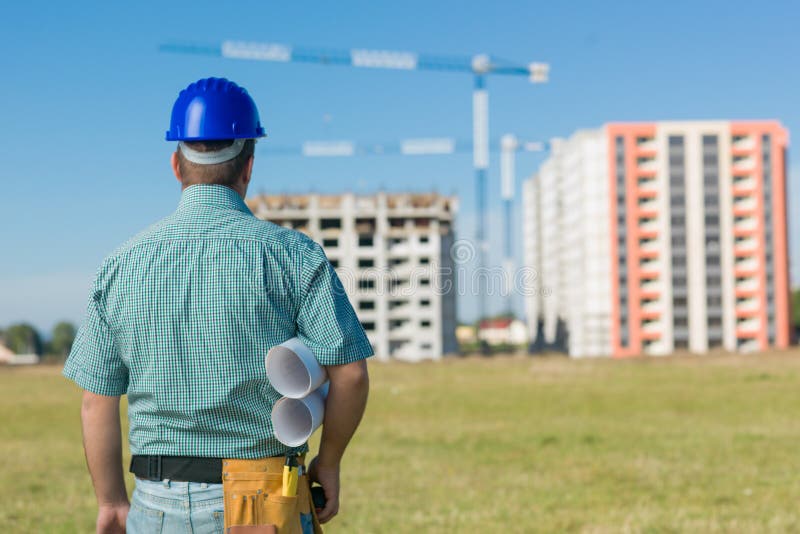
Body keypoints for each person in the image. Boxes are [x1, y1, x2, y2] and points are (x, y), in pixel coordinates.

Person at [63, 77, 372, 534]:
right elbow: (351, 373)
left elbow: (97, 400)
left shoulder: (121, 263)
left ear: (175, 164)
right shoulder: (293, 255)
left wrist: (111, 502)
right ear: (248, 167)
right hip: (264, 502)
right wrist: (329, 462)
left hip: (155, 500)